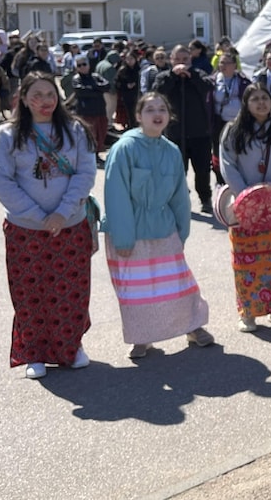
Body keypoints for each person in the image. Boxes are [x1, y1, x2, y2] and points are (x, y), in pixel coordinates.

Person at [0, 72, 97, 379]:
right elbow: (2, 181)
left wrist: (62, 213)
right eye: (36, 95)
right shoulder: (7, 135)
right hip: (26, 229)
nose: (44, 102)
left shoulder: (75, 130)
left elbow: (85, 173)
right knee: (30, 291)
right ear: (23, 99)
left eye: (50, 94)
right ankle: (34, 352)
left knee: (72, 289)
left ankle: (71, 347)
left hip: (71, 224)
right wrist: (39, 216)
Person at [102, 92, 214, 358]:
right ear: (138, 116)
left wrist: (182, 231)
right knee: (136, 290)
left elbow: (179, 195)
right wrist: (124, 238)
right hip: (130, 231)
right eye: (149, 109)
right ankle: (142, 338)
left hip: (164, 229)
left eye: (161, 108)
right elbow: (116, 196)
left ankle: (193, 326)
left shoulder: (171, 150)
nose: (157, 114)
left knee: (178, 283)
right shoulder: (124, 148)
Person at [220, 84, 271, 332]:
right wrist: (245, 196)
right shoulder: (233, 131)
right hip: (245, 207)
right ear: (246, 103)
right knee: (247, 262)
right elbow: (228, 165)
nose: (261, 103)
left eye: (264, 98)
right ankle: (248, 313)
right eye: (254, 99)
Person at [153, 45, 215, 213]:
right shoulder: (163, 76)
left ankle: (205, 199)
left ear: (190, 60)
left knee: (202, 170)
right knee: (176, 171)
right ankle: (177, 200)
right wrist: (173, 76)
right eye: (178, 60)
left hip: (199, 132)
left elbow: (208, 87)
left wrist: (191, 75)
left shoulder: (198, 73)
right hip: (174, 132)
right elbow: (157, 92)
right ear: (171, 60)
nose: (182, 63)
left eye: (185, 60)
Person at [210, 54, 251, 184]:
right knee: (219, 151)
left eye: (227, 63)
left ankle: (240, 177)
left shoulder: (243, 80)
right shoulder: (213, 80)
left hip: (238, 121)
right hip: (219, 121)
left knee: (239, 149)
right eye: (221, 63)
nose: (223, 66)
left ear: (234, 65)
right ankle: (220, 179)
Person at [68, 55, 111, 161]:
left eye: (84, 64)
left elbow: (107, 86)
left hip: (100, 110)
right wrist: (97, 89)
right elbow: (81, 91)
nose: (82, 67)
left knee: (101, 134)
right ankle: (89, 157)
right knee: (89, 136)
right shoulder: (76, 79)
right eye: (79, 65)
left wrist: (93, 88)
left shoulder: (96, 76)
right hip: (86, 112)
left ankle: (96, 155)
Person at [114, 51, 141, 129]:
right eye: (128, 59)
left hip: (137, 94)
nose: (130, 61)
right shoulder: (123, 70)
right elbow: (117, 83)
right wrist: (126, 85)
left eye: (131, 59)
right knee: (130, 113)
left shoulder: (138, 69)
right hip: (127, 95)